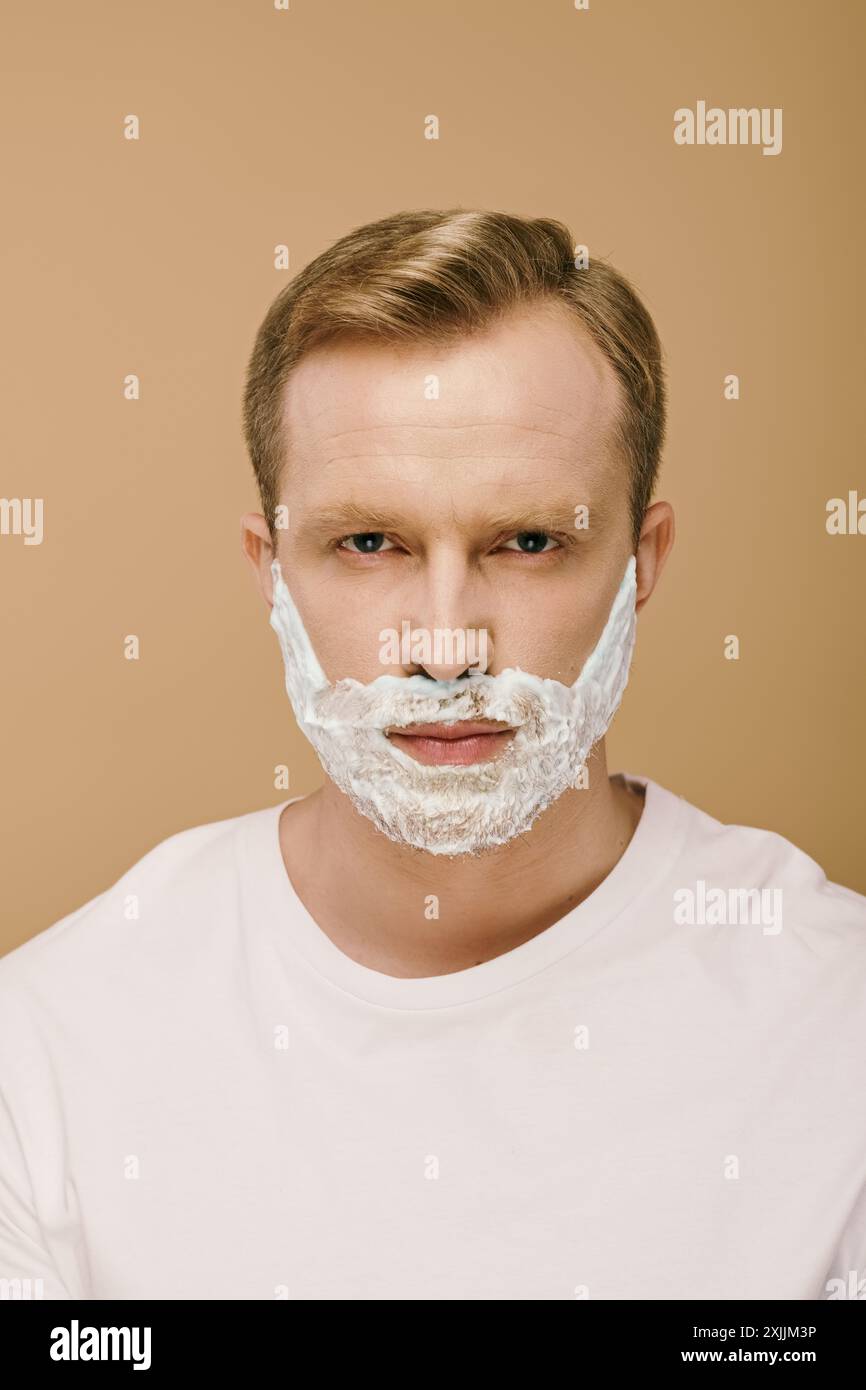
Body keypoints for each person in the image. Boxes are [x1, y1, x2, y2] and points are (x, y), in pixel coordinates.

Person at [1, 209, 864, 1301]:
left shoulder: (837, 1031)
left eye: (528, 542)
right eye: (369, 544)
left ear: (641, 560)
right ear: (270, 569)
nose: (445, 646)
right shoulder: (44, 1055)